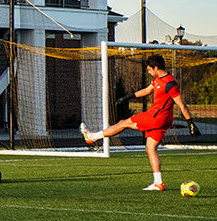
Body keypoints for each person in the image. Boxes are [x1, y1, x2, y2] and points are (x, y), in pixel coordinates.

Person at [81, 53, 199, 191]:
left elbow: (181, 104)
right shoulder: (157, 79)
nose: (148, 72)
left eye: (149, 69)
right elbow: (147, 90)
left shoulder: (170, 84)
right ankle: (158, 183)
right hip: (162, 120)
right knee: (150, 149)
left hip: (156, 117)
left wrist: (191, 123)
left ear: (155, 68)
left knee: (123, 123)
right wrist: (129, 96)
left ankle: (92, 137)